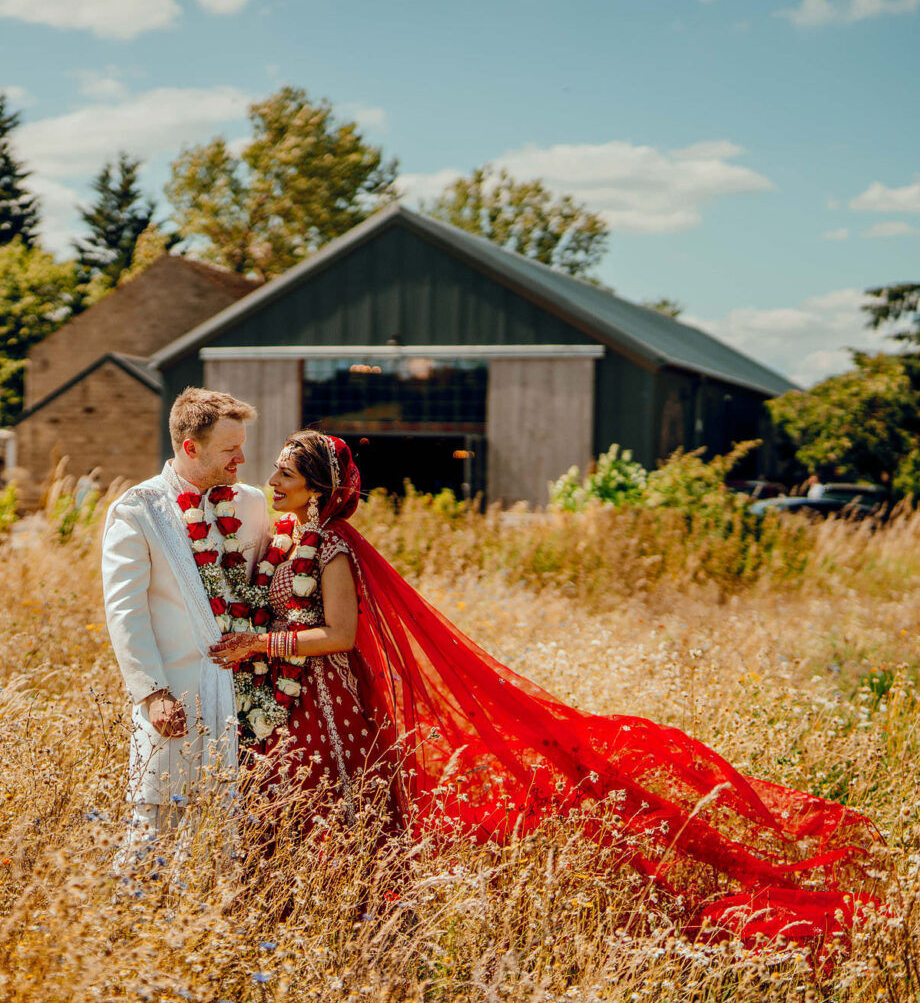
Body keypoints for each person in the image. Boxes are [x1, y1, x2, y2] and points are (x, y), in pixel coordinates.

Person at [210, 430, 883, 949]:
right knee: (281, 813)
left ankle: (361, 931)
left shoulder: (330, 547)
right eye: (274, 471)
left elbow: (341, 636)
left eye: (285, 475)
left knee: (333, 815)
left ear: (319, 489)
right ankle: (277, 920)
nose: (271, 481)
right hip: (287, 701)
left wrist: (261, 645)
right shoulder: (291, 539)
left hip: (329, 706)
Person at [101, 388, 270, 862]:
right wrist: (152, 693)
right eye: (229, 448)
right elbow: (125, 610)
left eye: (241, 444)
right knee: (156, 824)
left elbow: (258, 587)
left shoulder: (252, 504)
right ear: (189, 447)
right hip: (174, 696)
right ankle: (141, 920)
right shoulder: (138, 509)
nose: (242, 457)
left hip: (244, 697)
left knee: (230, 827)